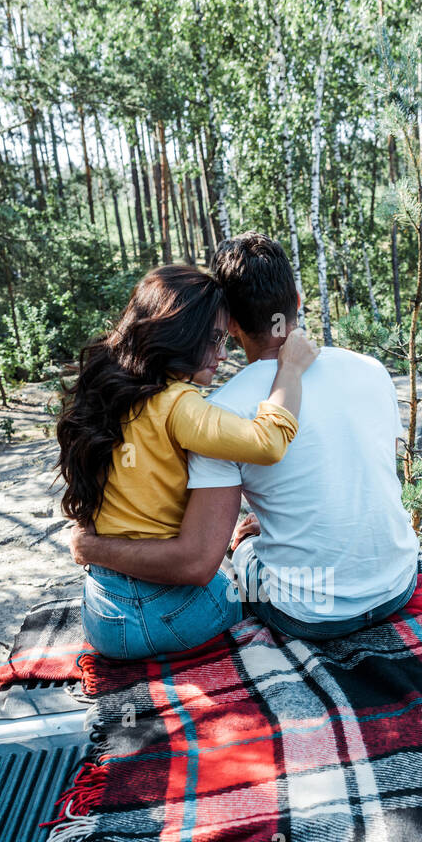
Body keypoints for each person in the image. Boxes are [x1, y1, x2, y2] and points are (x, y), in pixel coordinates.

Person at [69, 233, 419, 643]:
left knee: (244, 551)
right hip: (398, 585)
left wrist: (91, 545)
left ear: (229, 323)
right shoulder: (371, 369)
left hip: (310, 614)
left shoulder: (220, 407)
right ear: (299, 300)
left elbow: (198, 559)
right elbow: (362, 478)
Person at [57, 262, 318, 659]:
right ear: (179, 335)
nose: (223, 352)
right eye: (213, 339)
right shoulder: (179, 405)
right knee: (239, 587)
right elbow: (267, 443)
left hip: (104, 617)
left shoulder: (110, 396)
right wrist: (291, 369)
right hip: (169, 617)